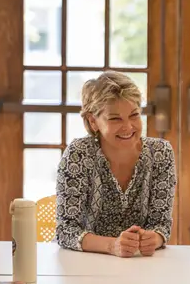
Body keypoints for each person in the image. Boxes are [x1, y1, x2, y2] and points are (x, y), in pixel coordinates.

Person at [55, 71, 177, 257]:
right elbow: (66, 231)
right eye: (115, 118)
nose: (128, 127)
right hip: (86, 264)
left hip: (140, 264)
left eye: (134, 115)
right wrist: (112, 245)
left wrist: (154, 238)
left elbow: (161, 224)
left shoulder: (161, 153)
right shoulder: (78, 154)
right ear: (93, 121)